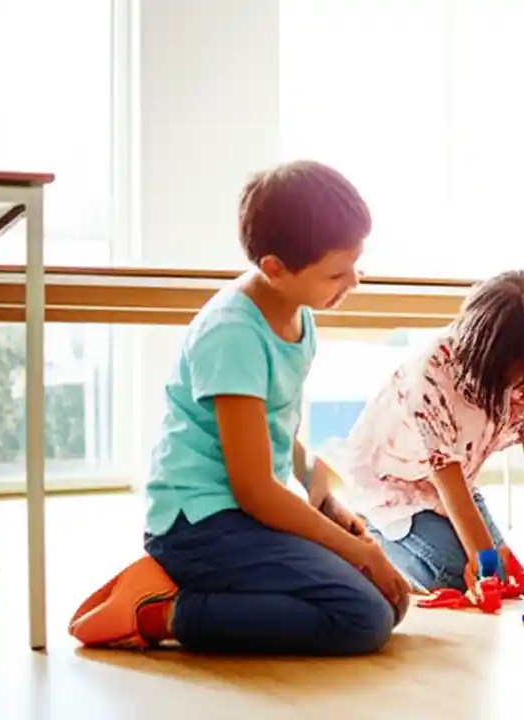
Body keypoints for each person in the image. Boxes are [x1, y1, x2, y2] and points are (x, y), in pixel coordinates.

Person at [68, 160, 413, 655]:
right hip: (199, 525)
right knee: (362, 617)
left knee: (387, 601)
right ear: (274, 268)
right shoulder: (232, 333)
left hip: (246, 515)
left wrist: (331, 510)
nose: (353, 282)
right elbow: (254, 490)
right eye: (337, 272)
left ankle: (220, 595)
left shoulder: (297, 313)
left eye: (355, 265)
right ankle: (159, 609)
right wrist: (358, 551)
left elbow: (275, 430)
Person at [334, 270, 524, 606]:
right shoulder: (431, 378)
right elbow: (448, 482)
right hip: (388, 487)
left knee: (504, 578)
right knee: (455, 575)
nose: (523, 390)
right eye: (514, 378)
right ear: (484, 357)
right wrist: (485, 572)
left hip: (452, 485)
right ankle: (360, 535)